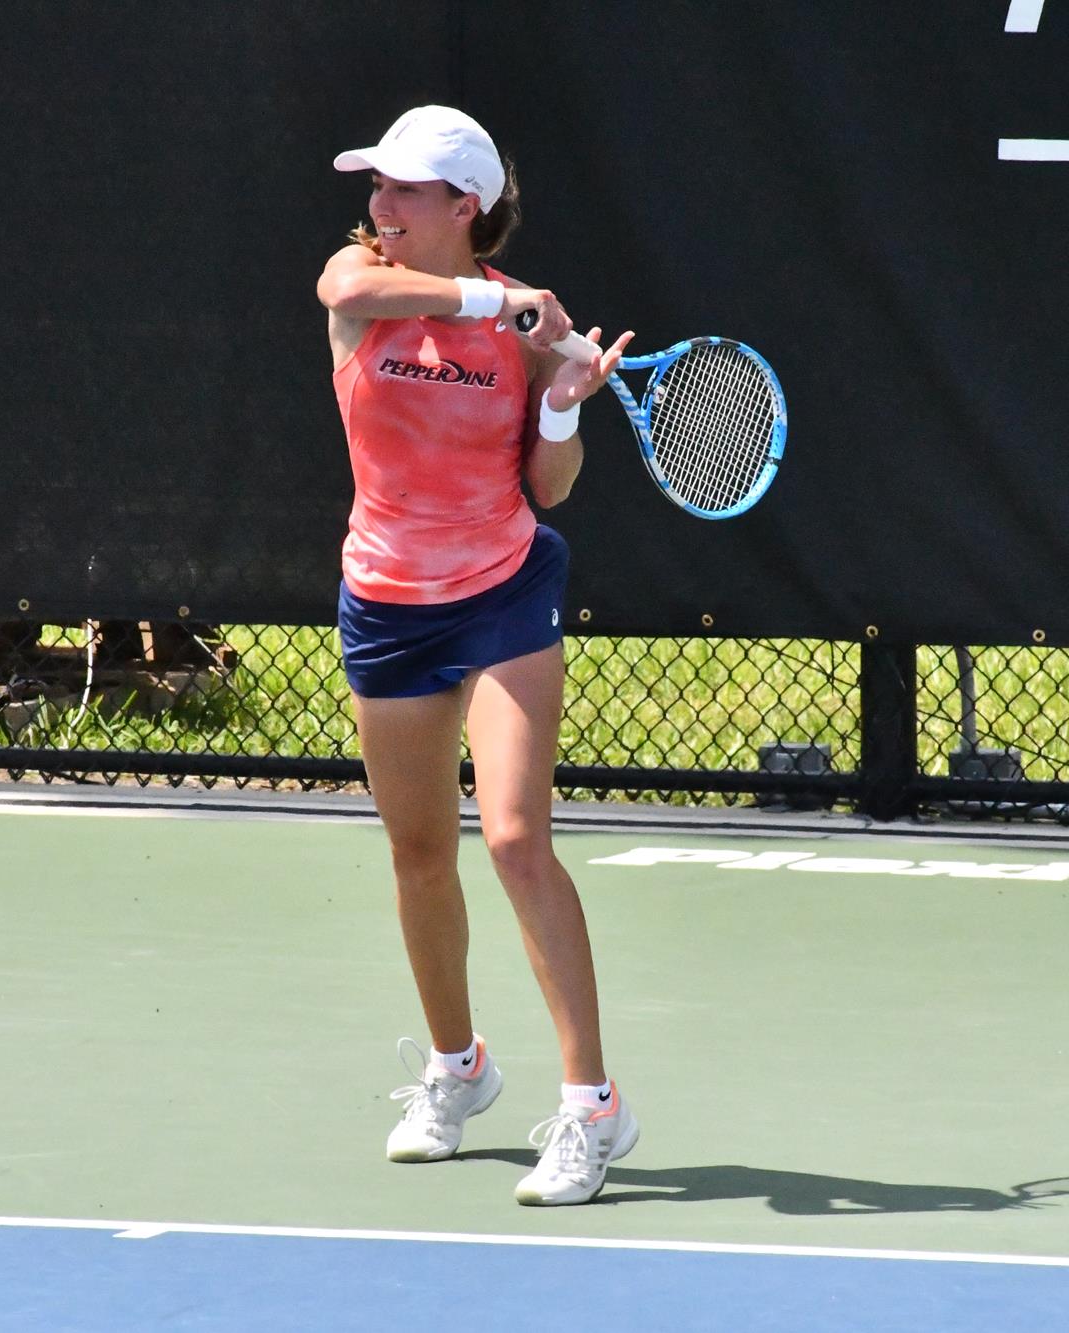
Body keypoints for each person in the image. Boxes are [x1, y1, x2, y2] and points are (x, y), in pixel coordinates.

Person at [316, 106, 637, 1206]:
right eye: (376, 186)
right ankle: (458, 1069)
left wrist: (561, 404)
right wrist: (500, 303)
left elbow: (548, 487)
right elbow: (341, 288)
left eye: (403, 190)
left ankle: (592, 1105)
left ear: (465, 206)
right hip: (386, 601)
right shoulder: (366, 284)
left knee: (511, 838)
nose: (379, 206)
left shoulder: (529, 333)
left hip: (500, 590)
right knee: (418, 853)